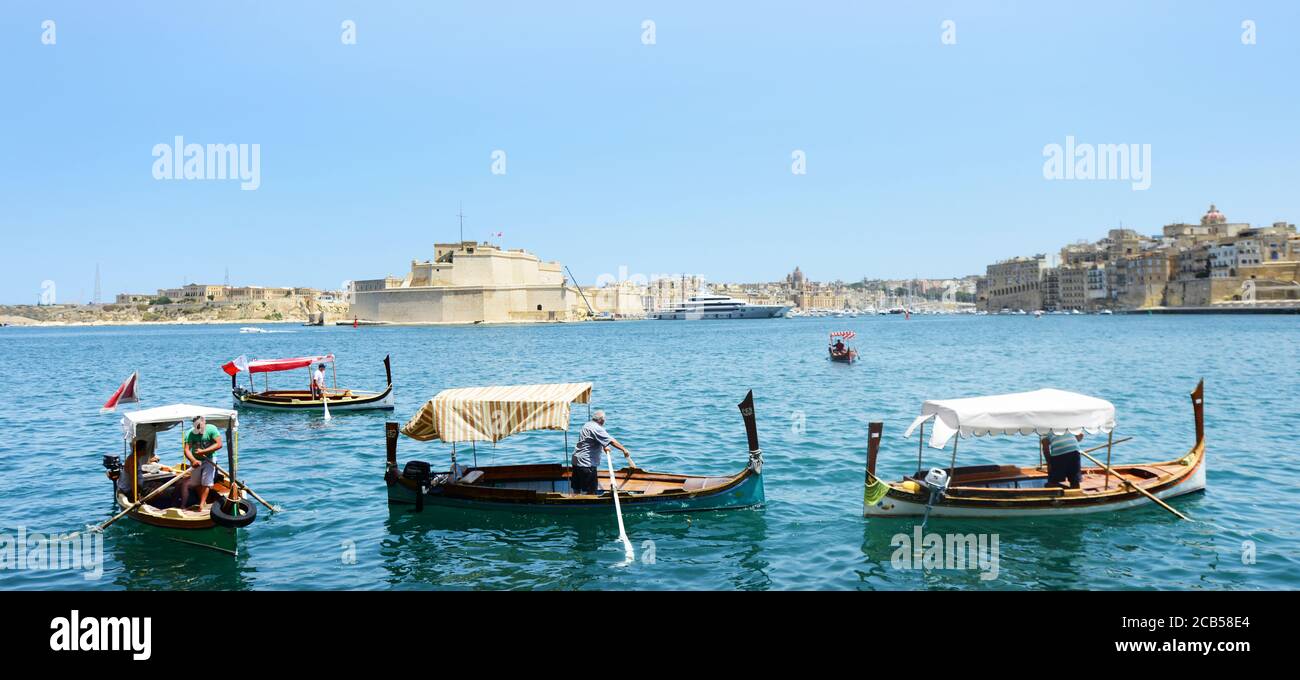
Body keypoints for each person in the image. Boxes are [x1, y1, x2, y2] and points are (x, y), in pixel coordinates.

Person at [570, 410, 632, 495]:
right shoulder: (597, 428)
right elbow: (611, 441)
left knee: (577, 486)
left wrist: (604, 445)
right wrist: (624, 449)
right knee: (590, 490)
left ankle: (575, 501)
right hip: (587, 462)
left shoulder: (587, 425)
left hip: (576, 460)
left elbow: (592, 439)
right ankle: (589, 504)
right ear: (602, 420)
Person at [180, 415, 223, 509]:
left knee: (206, 481)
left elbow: (219, 444)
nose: (199, 430)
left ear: (205, 423)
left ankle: (202, 503)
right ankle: (203, 500)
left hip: (210, 459)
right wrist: (193, 460)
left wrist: (203, 451)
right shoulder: (190, 433)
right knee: (195, 483)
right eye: (196, 427)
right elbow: (187, 450)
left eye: (200, 427)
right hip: (196, 460)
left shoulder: (212, 429)